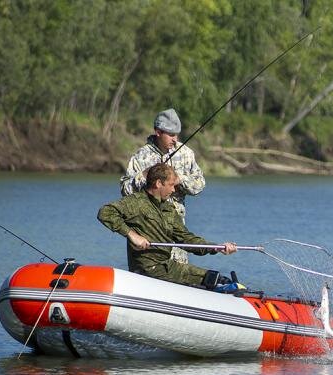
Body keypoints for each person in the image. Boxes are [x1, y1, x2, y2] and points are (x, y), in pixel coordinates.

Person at [99, 163, 236, 289]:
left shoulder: (169, 209)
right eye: (171, 185)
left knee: (217, 279)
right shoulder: (136, 202)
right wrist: (132, 235)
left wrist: (217, 248)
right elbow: (105, 212)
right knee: (212, 281)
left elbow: (187, 239)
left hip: (167, 266)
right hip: (148, 270)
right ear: (159, 183)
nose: (174, 189)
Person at [122, 108, 205, 265]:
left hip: (175, 232)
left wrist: (180, 181)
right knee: (146, 276)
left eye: (177, 135)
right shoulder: (141, 156)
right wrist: (144, 176)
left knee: (179, 276)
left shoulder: (186, 154)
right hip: (146, 232)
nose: (175, 139)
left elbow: (200, 184)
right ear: (158, 132)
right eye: (171, 135)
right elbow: (125, 189)